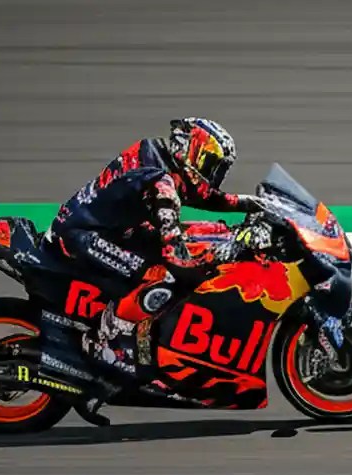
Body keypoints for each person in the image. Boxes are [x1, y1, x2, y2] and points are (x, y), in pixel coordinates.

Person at [48, 117, 265, 383]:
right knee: (160, 275)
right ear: (193, 151)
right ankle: (100, 342)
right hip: (84, 235)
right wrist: (212, 259)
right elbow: (175, 254)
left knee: (201, 233)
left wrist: (251, 204)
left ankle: (144, 332)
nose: (214, 175)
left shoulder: (157, 156)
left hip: (107, 227)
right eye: (211, 166)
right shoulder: (162, 184)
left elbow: (203, 195)